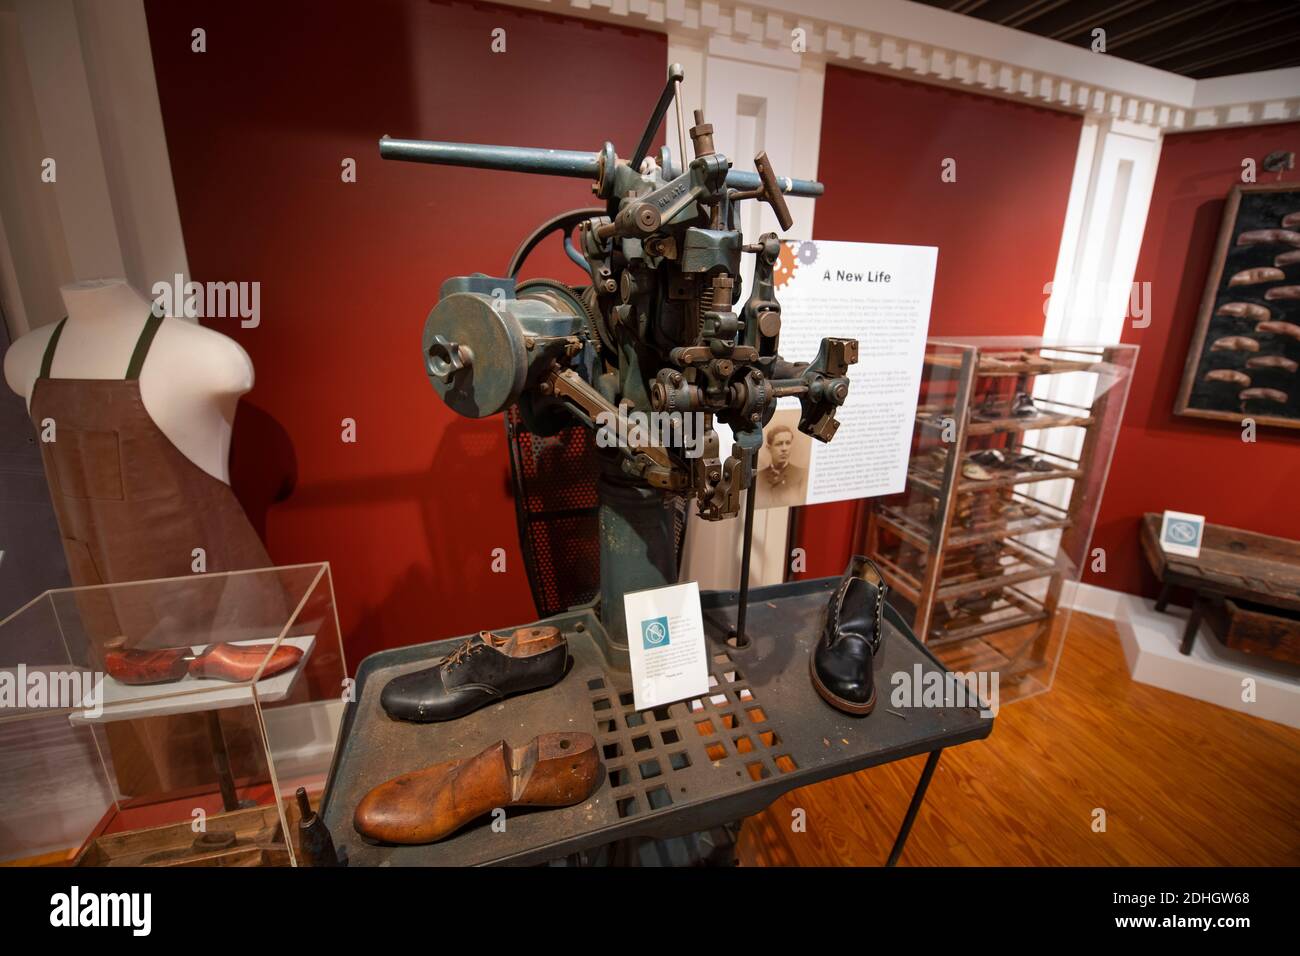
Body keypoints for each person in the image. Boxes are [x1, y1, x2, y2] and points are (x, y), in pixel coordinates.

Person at [755, 423, 806, 508]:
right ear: (769, 448)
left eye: (788, 443)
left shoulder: (802, 475)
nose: (784, 449)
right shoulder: (758, 477)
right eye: (779, 444)